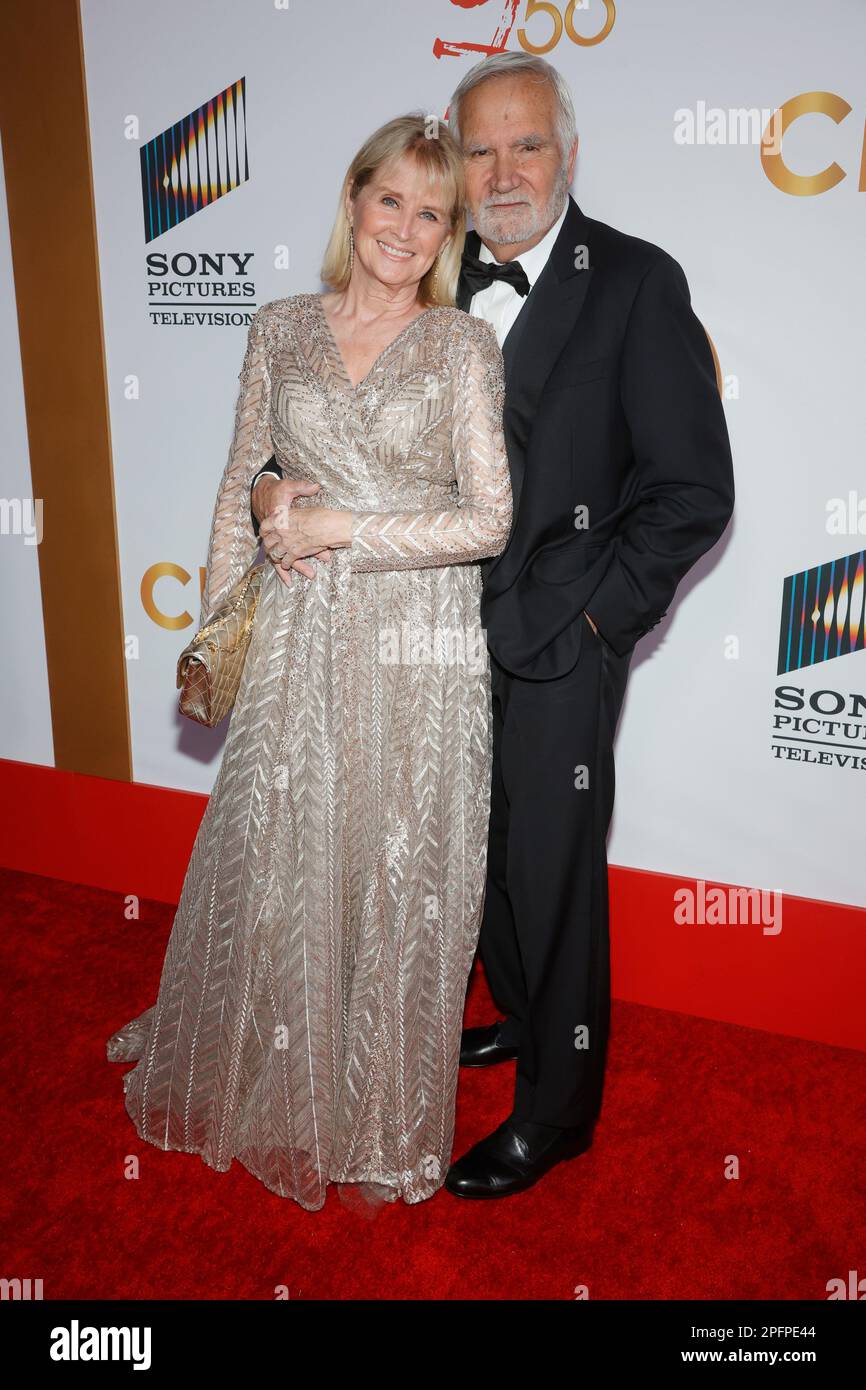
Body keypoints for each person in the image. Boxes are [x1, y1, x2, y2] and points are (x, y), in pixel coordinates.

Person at [256, 52, 735, 1200]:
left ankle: (555, 1115)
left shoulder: (630, 281)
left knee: (550, 862)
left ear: (565, 154)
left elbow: (692, 492)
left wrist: (592, 619)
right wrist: (276, 487)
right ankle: (519, 1013)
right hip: (416, 633)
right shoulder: (423, 268)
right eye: (478, 148)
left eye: (526, 144)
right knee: (473, 854)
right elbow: (337, 419)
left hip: (555, 636)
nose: (502, 169)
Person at [106, 114, 513, 1211]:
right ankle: (269, 1067)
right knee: (286, 847)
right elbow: (245, 469)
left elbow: (488, 517)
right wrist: (225, 602)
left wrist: (342, 530)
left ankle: (368, 1103)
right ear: (352, 200)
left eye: (433, 213)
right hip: (295, 633)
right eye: (391, 200)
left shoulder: (461, 345)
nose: (406, 227)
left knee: (392, 863)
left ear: (447, 236)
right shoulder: (281, 326)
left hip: (416, 642)